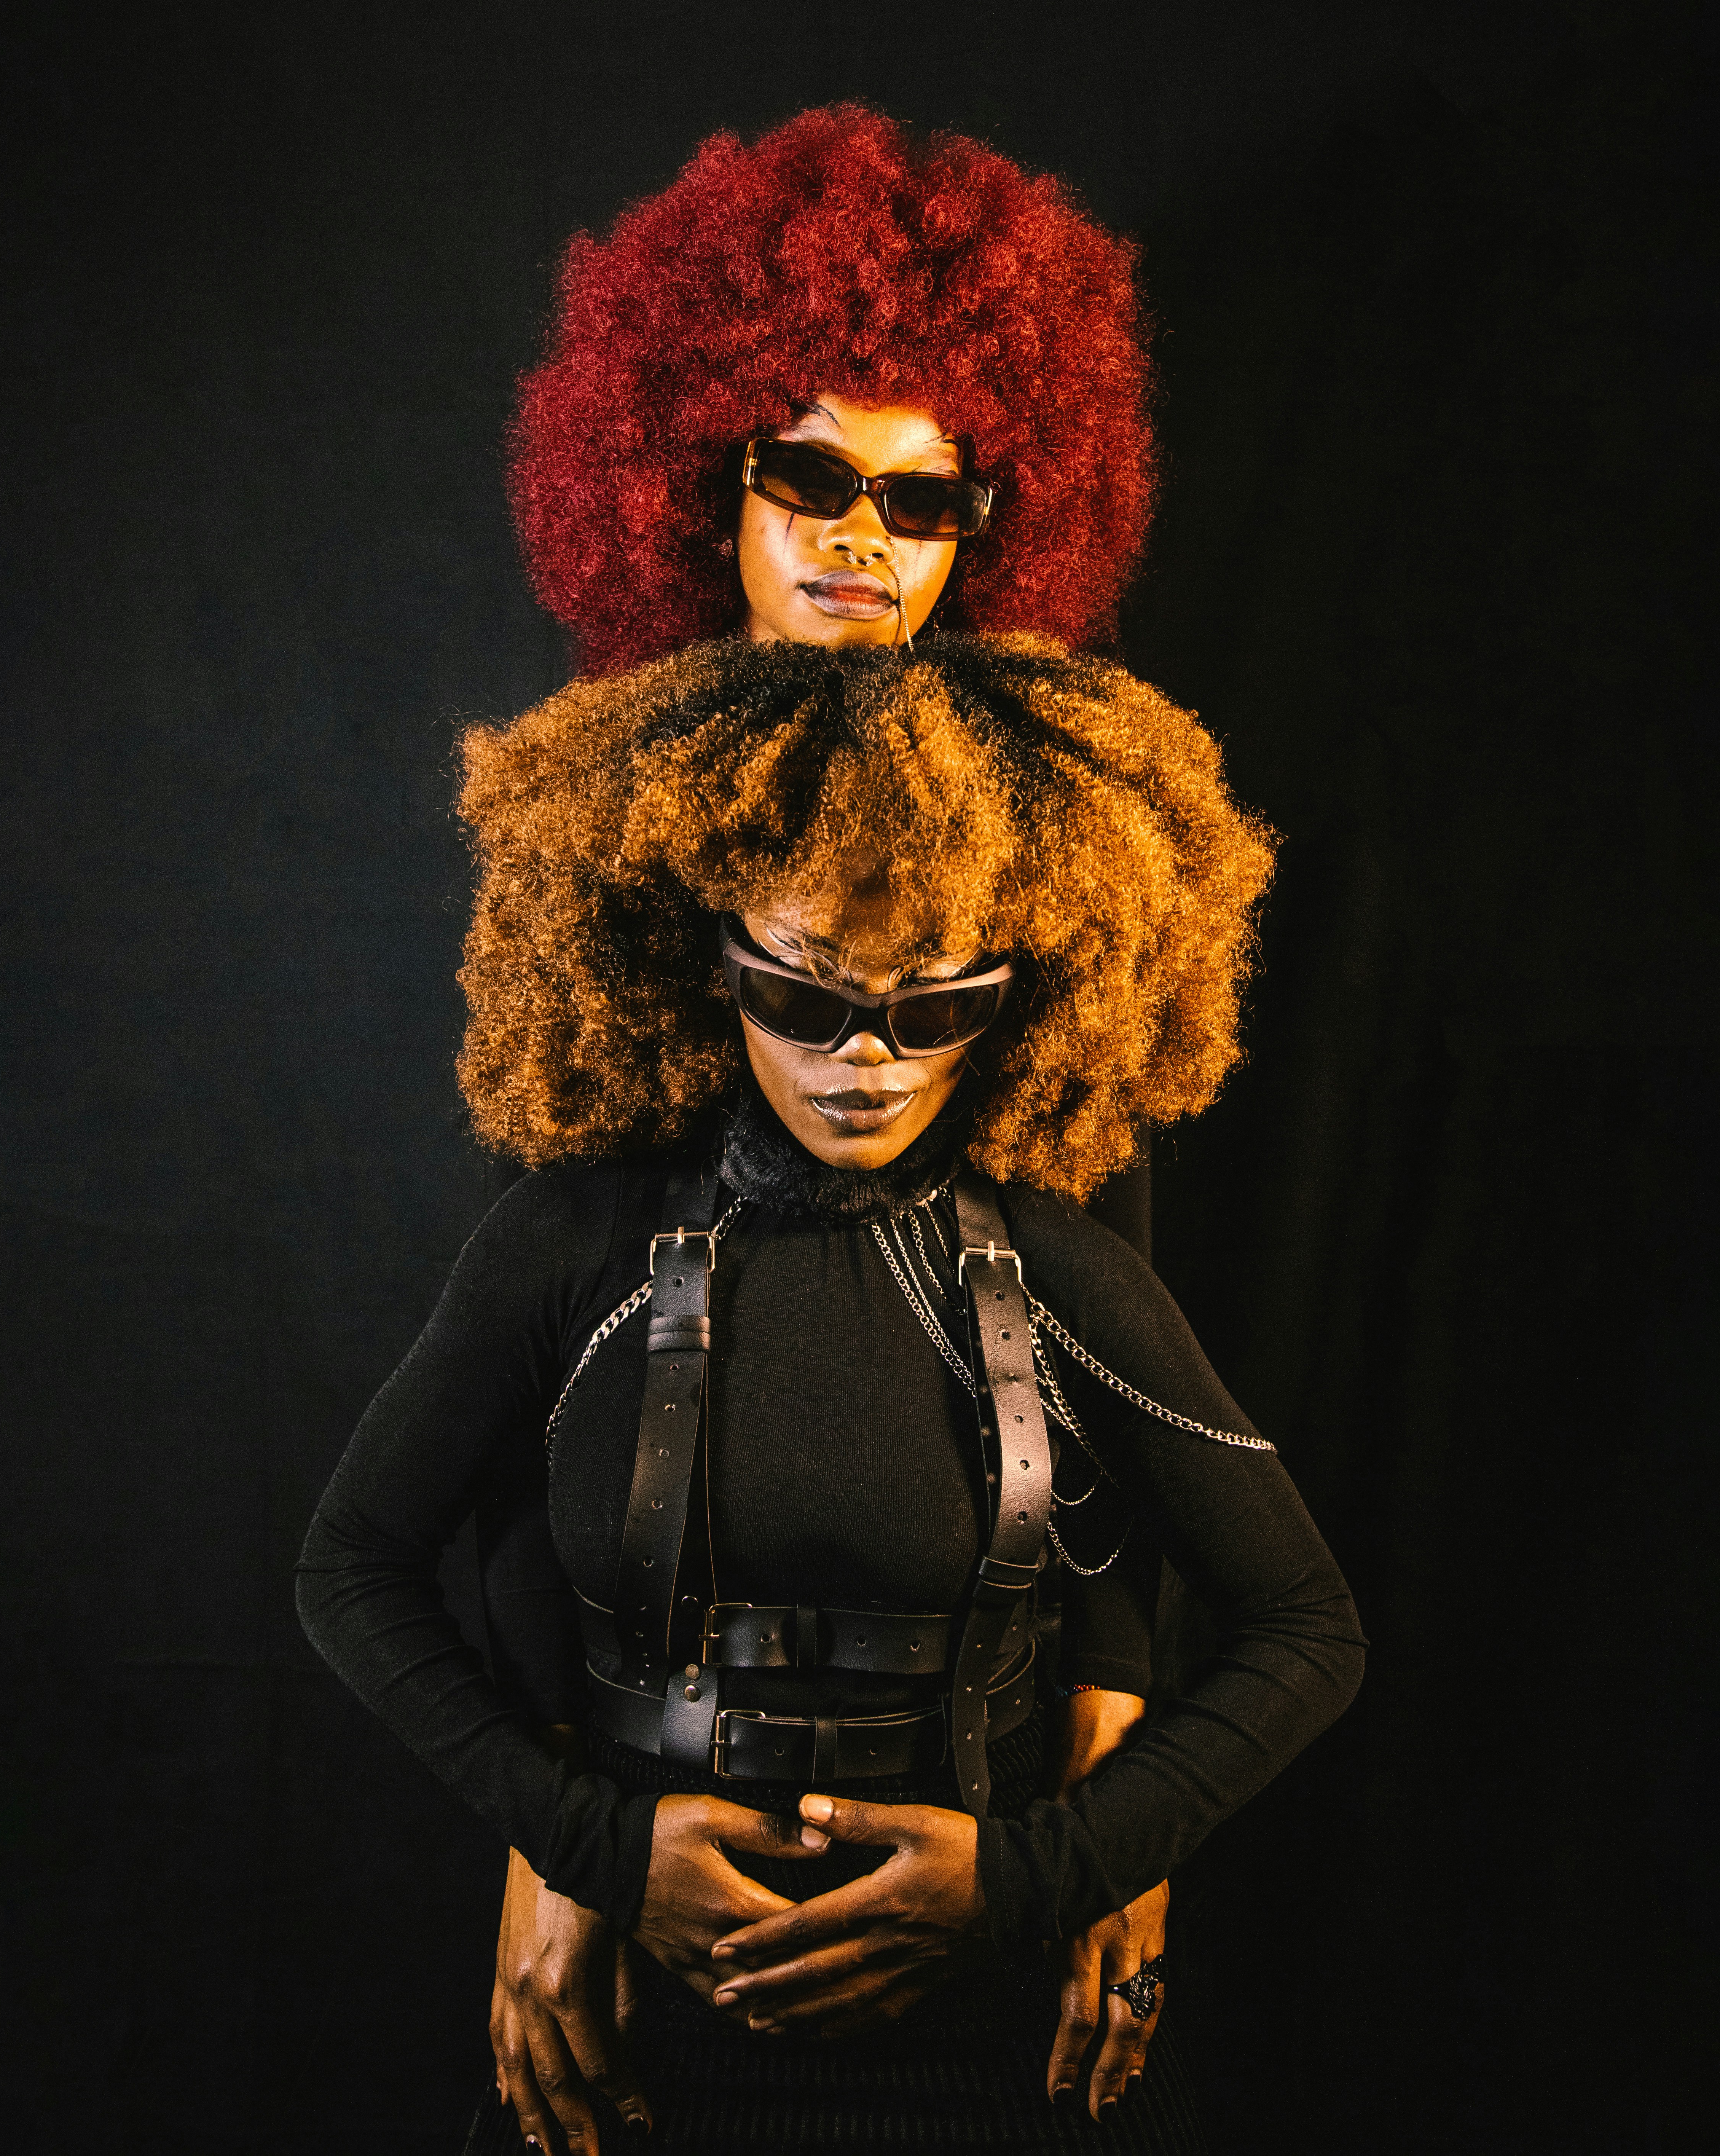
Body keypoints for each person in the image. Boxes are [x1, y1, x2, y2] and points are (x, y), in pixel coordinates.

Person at [296, 633, 1366, 2155]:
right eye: (801, 998)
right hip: (632, 2054)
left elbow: (1306, 1629)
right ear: (700, 970)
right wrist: (596, 1850)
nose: (863, 1059)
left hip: (988, 2055)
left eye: (932, 1007)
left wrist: (1033, 1878)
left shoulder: (1060, 1269)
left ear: (1025, 992)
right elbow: (351, 1569)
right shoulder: (571, 1242)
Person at [478, 105, 1179, 2151]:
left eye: (921, 495)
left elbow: (1123, 1407)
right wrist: (555, 1858)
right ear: (709, 487)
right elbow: (543, 1417)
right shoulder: (598, 852)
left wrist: (1116, 1846)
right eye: (809, 475)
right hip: (647, 1791)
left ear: (990, 528)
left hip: (982, 1816)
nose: (862, 533)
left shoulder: (1069, 850)